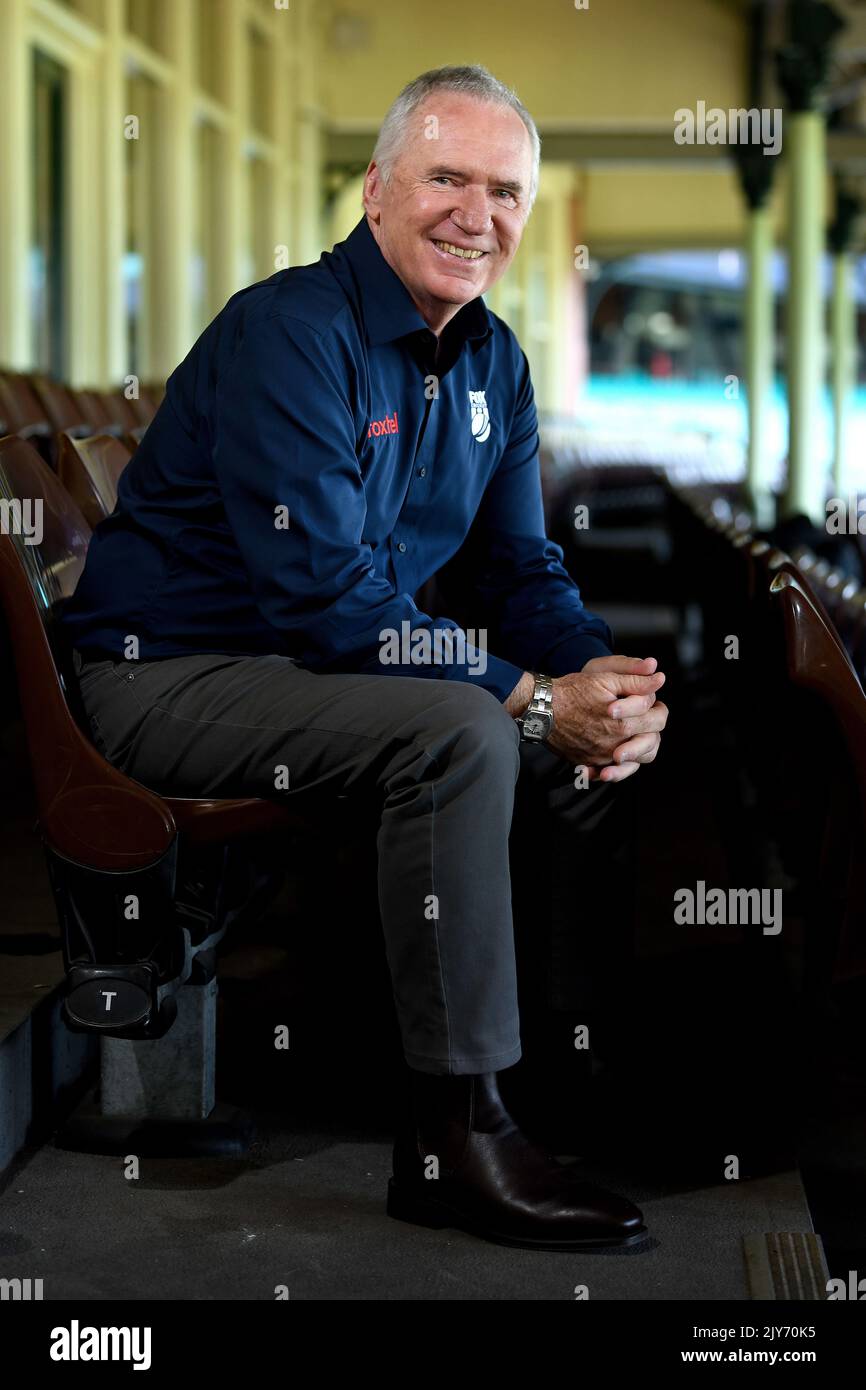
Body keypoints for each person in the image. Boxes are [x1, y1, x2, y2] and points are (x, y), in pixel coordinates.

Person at [61, 64, 668, 1251]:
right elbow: (327, 599)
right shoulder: (290, 329)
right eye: (445, 176)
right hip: (170, 677)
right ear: (376, 186)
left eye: (503, 191)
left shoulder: (493, 362)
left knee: (588, 734)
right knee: (459, 729)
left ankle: (549, 1077)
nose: (474, 214)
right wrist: (530, 698)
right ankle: (454, 1134)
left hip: (306, 675)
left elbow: (516, 577)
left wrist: (601, 685)